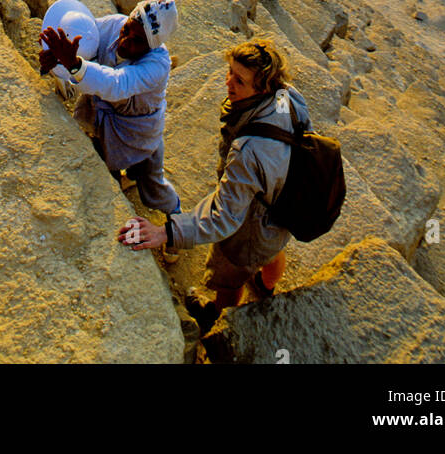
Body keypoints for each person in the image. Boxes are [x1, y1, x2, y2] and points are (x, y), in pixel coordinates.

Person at [117, 37, 310, 324]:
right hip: (283, 208)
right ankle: (265, 286)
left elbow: (224, 217)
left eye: (240, 81)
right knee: (271, 249)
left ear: (264, 86)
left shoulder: (249, 152)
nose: (228, 82)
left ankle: (218, 316)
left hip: (250, 227)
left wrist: (165, 233)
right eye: (230, 71)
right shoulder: (288, 96)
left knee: (230, 277)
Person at [40, 0, 181, 221]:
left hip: (137, 130)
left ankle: (175, 218)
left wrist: (74, 65)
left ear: (151, 46)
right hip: (100, 115)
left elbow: (117, 85)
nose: (124, 41)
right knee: (103, 165)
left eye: (137, 41)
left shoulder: (158, 64)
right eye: (126, 31)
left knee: (152, 186)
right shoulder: (113, 25)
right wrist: (56, 59)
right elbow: (85, 40)